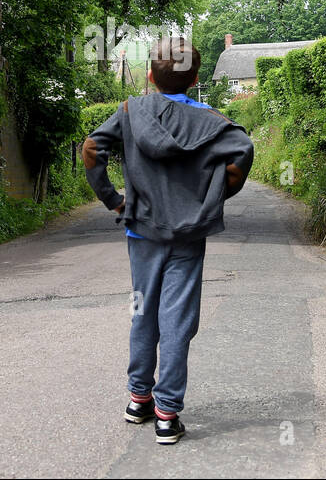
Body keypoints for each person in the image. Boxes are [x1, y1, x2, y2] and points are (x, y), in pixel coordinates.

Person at [82, 36, 255, 444]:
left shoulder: (130, 110)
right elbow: (241, 155)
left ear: (148, 76)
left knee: (143, 309)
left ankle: (138, 398)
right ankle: (167, 413)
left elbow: (92, 149)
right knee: (177, 319)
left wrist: (114, 201)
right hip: (189, 235)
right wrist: (209, 200)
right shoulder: (214, 122)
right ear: (196, 79)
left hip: (141, 231)